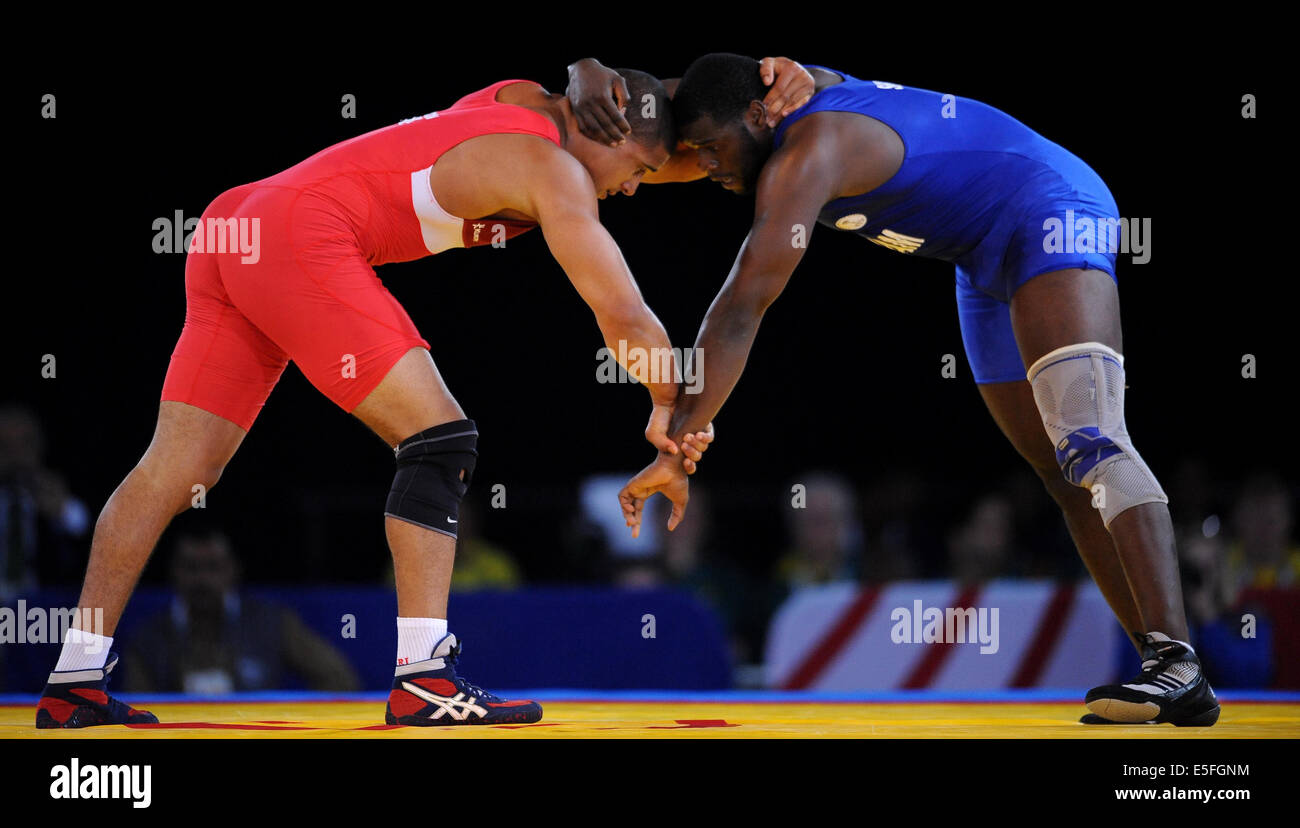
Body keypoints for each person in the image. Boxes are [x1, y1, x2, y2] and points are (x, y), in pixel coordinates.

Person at [36, 67, 721, 729]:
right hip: (295, 233)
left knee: (175, 468)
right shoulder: (554, 170)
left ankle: (75, 679)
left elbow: (673, 137)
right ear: (608, 128)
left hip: (236, 221)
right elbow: (624, 316)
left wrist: (621, 80)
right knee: (438, 439)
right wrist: (673, 410)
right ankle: (423, 676)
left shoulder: (521, 99)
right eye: (639, 173)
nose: (636, 192)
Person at [591, 53, 1218, 726]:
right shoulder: (768, 93)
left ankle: (1180, 665)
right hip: (981, 252)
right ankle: (1160, 665)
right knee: (1059, 472)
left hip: (1049, 202)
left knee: (1091, 439)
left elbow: (742, 306)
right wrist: (586, 70)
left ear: (756, 116)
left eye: (711, 151)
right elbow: (684, 92)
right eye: (693, 155)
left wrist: (677, 444)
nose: (704, 167)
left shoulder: (807, 154)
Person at [122, 529, 361, 693]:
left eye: (212, 567)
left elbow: (339, 679)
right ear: (173, 572)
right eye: (191, 567)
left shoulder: (271, 622)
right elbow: (137, 708)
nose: (202, 579)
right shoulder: (147, 639)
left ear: (233, 570)